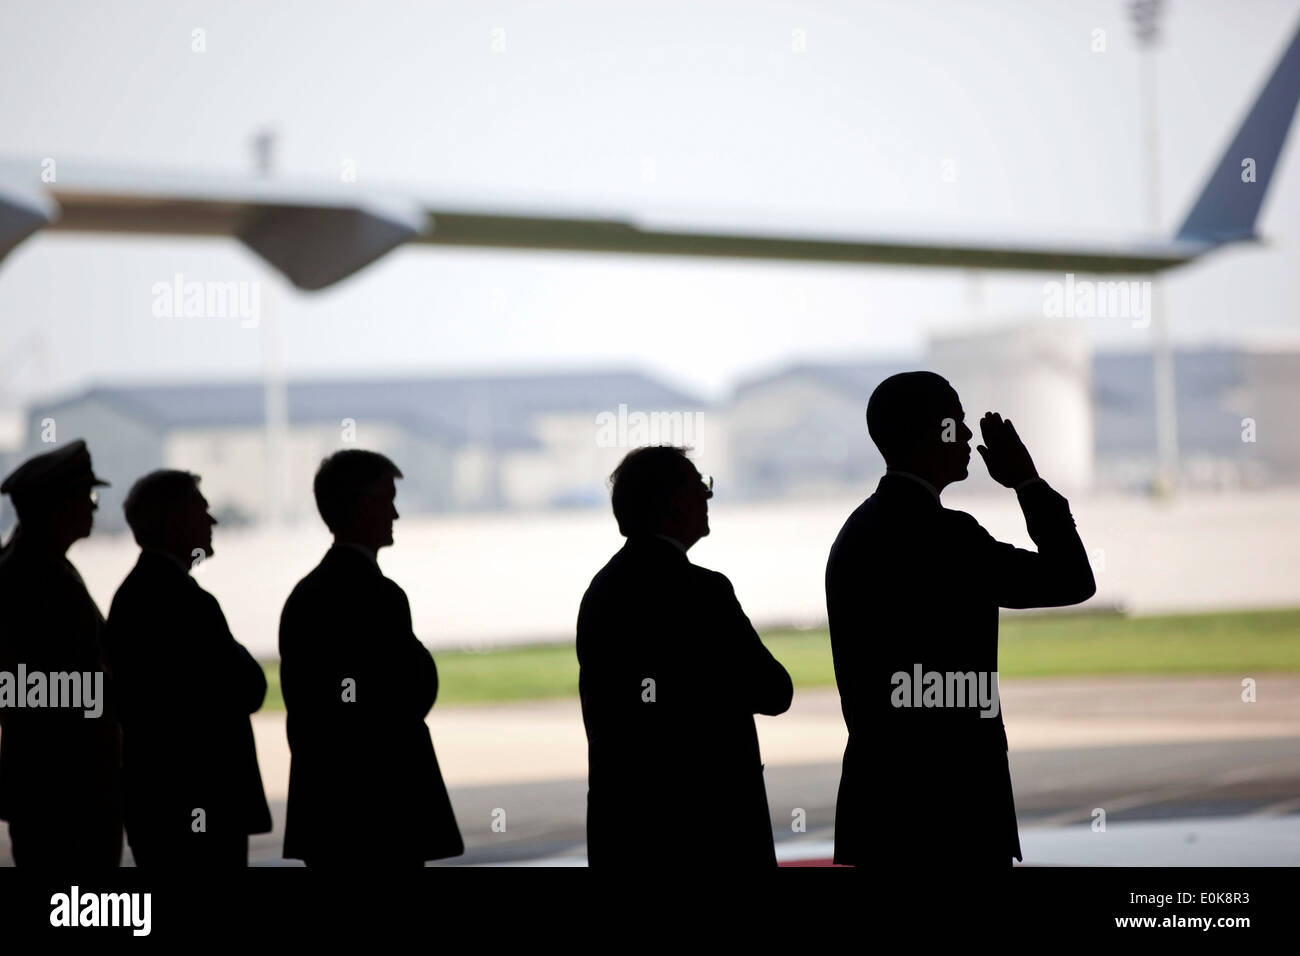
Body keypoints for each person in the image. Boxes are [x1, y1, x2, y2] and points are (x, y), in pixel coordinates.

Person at [826, 371, 1096, 869]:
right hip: (954, 813)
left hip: (882, 809)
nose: (969, 436)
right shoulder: (947, 535)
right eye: (957, 422)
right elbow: (1071, 579)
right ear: (929, 433)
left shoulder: (859, 531)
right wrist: (1027, 483)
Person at [577, 445, 793, 867]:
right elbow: (774, 691)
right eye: (701, 488)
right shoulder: (703, 591)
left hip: (627, 826)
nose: (707, 498)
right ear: (673, 504)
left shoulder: (601, 591)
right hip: (711, 827)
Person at [280, 449, 463, 866]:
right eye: (387, 499)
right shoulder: (380, 595)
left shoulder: (305, 596)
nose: (395, 513)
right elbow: (410, 691)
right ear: (362, 506)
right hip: (384, 810)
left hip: (328, 811)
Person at [102, 469, 271, 867]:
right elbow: (248, 687)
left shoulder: (134, 594)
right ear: (174, 520)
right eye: (201, 510)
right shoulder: (186, 600)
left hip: (160, 804)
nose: (211, 522)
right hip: (203, 799)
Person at [0, 439, 123, 867]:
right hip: (63, 784)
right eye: (86, 497)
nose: (92, 508)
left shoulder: (41, 567)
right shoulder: (33, 578)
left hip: (57, 781)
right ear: (55, 506)